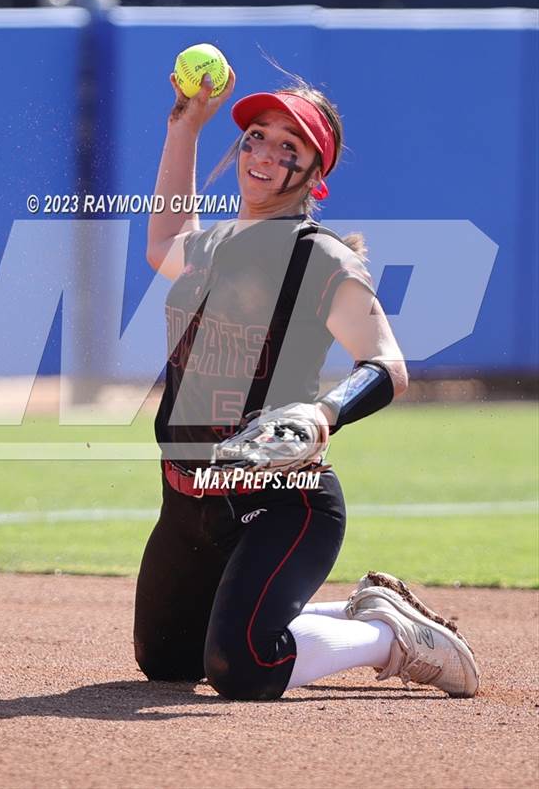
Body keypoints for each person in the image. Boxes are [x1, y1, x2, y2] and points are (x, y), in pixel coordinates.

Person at [134, 65, 480, 701]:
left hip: (283, 502)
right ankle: (355, 614)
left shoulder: (320, 257)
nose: (264, 153)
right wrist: (183, 129)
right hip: (187, 502)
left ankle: (390, 639)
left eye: (288, 147)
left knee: (242, 667)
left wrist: (323, 413)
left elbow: (387, 366)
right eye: (257, 136)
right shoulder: (212, 246)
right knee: (168, 661)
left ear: (315, 177)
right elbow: (163, 241)